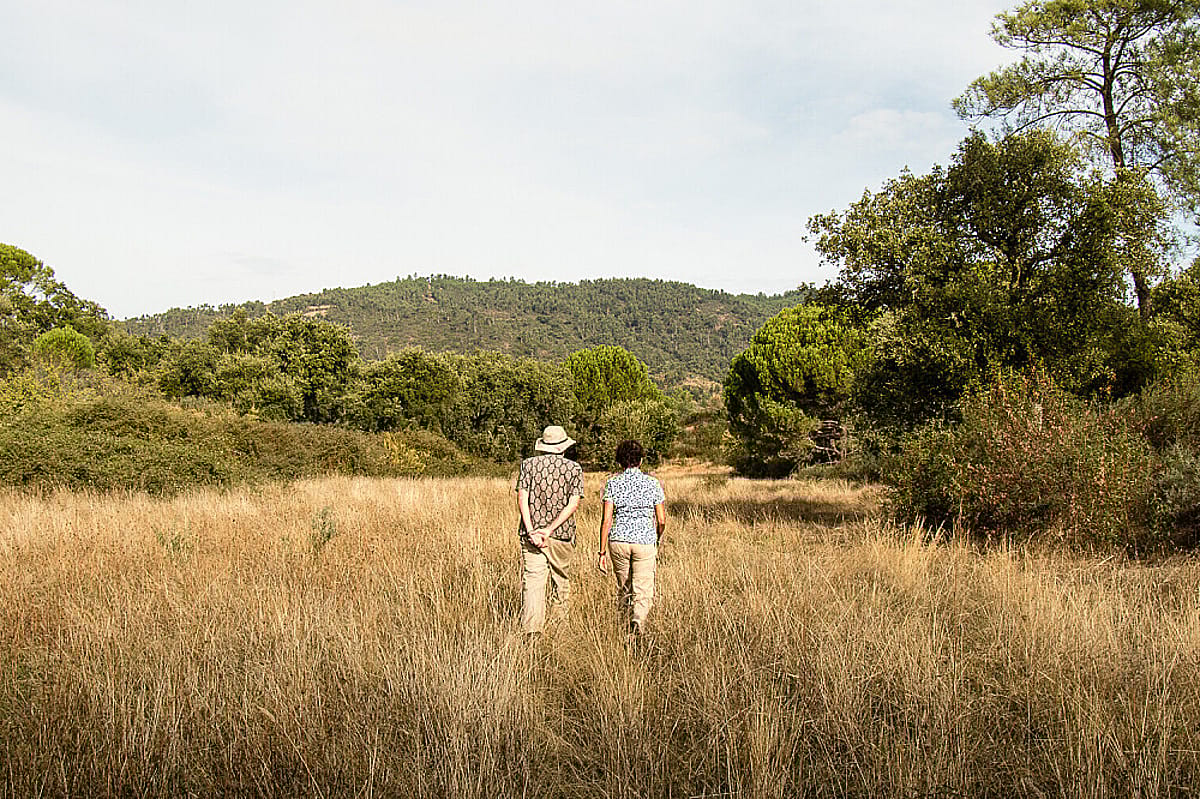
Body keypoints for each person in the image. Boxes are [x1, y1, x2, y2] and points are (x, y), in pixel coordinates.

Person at [515, 424, 584, 634]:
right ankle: (558, 630)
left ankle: (532, 630)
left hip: (531, 535)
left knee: (533, 581)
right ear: (563, 446)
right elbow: (573, 504)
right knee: (560, 582)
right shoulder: (574, 469)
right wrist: (550, 530)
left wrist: (532, 530)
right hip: (561, 536)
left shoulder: (528, 465)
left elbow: (522, 498)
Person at [596, 439, 666, 635]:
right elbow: (661, 519)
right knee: (643, 587)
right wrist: (657, 537)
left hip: (618, 540)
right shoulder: (652, 484)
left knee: (625, 586)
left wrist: (602, 552)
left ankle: (625, 624)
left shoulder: (612, 483)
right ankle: (638, 621)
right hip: (645, 540)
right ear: (641, 460)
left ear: (620, 461)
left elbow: (607, 519)